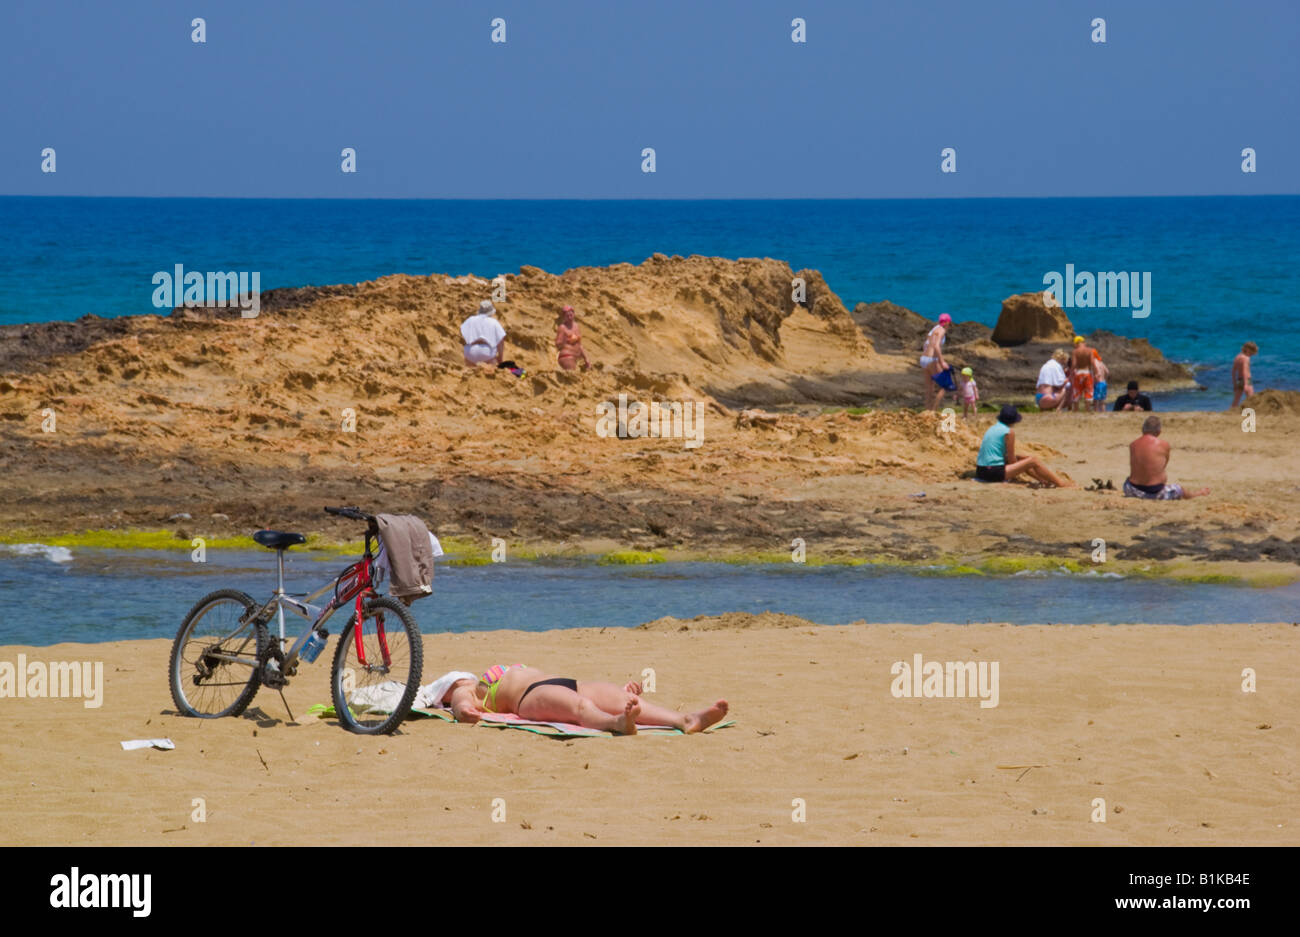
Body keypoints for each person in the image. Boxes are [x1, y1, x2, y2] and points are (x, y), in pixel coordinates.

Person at [434, 665, 729, 736]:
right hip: (528, 698)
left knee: (620, 696)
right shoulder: (465, 688)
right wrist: (462, 709)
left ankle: (685, 719)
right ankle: (616, 724)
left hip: (559, 681)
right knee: (579, 709)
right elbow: (461, 706)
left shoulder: (479, 678)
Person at [974, 404, 1074, 487]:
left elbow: (1005, 457)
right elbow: (1012, 460)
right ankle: (1060, 483)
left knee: (1024, 459)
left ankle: (1043, 480)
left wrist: (1021, 461)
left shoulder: (992, 428)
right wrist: (1022, 465)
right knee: (1033, 460)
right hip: (993, 473)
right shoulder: (1008, 432)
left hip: (981, 471)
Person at [1123, 416, 1209, 500]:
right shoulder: (1164, 445)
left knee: (1128, 481)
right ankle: (1197, 494)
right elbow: (1163, 465)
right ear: (1159, 431)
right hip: (1155, 492)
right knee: (1179, 489)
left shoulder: (1133, 444)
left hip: (1132, 490)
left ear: (1143, 429)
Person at [920, 313, 952, 411]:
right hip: (931, 360)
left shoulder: (934, 329)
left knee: (929, 389)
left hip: (923, 359)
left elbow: (926, 344)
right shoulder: (942, 330)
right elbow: (937, 346)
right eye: (949, 323)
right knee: (945, 385)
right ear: (946, 323)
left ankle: (927, 412)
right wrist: (942, 362)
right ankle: (933, 412)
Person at [461, 299, 506, 366]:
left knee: (470, 371)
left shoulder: (471, 319)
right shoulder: (493, 322)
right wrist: (500, 358)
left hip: (471, 351)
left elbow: (463, 334)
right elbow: (500, 341)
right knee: (491, 368)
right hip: (486, 352)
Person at [555, 305, 591, 371]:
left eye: (570, 312)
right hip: (567, 356)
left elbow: (579, 345)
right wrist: (567, 339)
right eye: (566, 314)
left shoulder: (576, 326)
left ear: (573, 314)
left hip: (575, 357)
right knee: (572, 376)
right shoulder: (562, 327)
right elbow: (558, 344)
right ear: (564, 317)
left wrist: (586, 358)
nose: (569, 315)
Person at [1069, 336, 1097, 412]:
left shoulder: (1075, 351)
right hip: (1087, 373)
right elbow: (1092, 362)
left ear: (1077, 343)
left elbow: (1074, 364)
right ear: (1083, 342)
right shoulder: (1090, 350)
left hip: (1078, 373)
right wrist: (1096, 372)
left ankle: (1076, 410)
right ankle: (1087, 410)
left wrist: (1071, 373)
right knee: (1088, 392)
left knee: (1077, 393)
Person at [1230, 341, 1257, 409]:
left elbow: (1233, 371)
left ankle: (1231, 411)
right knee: (1251, 398)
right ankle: (1251, 411)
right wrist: (1246, 384)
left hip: (1239, 380)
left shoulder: (1238, 357)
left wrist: (1234, 383)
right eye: (1252, 353)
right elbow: (1245, 371)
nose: (1251, 355)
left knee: (1236, 399)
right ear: (1248, 350)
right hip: (1247, 380)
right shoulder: (1246, 358)